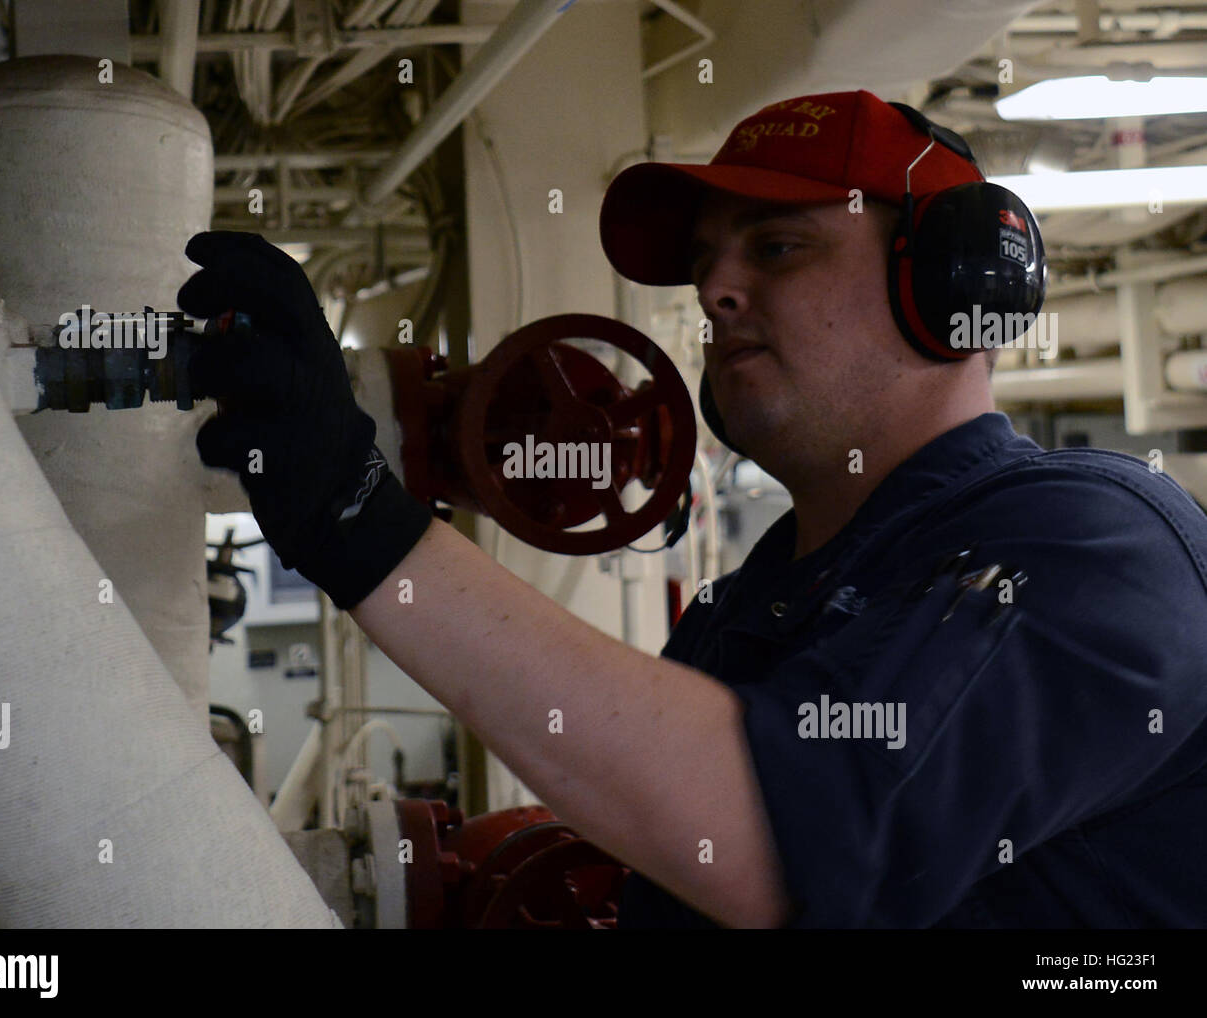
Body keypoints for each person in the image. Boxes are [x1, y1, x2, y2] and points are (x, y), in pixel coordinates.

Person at [178, 89, 1207, 928]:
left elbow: (771, 836)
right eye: (707, 257)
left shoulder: (1098, 549)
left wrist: (359, 519)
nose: (714, 287)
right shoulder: (759, 598)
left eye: (776, 247)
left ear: (952, 280)